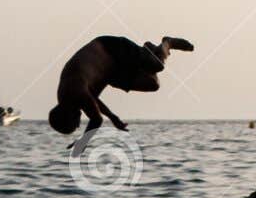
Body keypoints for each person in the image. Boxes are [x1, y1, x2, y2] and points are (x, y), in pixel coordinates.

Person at [48, 34, 194, 134]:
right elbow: (92, 100)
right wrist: (113, 117)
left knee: (157, 65)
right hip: (110, 72)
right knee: (152, 84)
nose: (80, 124)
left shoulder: (74, 90)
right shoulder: (68, 98)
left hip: (111, 48)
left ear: (68, 115)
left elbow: (96, 119)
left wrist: (81, 145)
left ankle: (167, 43)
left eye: (76, 124)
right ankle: (148, 51)